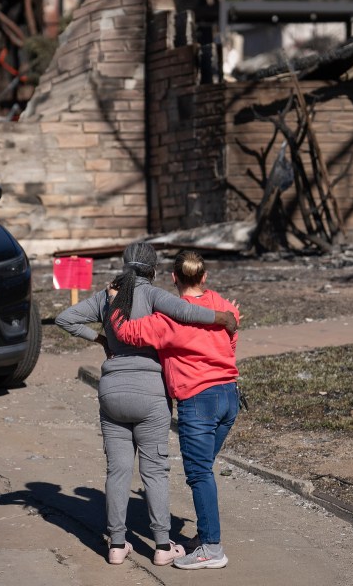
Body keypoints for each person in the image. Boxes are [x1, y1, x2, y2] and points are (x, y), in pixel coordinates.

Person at [54, 241, 236, 567]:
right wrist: (222, 316)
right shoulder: (154, 295)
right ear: (153, 270)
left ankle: (117, 545)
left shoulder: (108, 297)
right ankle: (163, 547)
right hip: (151, 393)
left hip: (112, 393)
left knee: (118, 470)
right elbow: (187, 311)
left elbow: (65, 319)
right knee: (154, 471)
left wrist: (100, 339)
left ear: (125, 265)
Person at [111, 250, 240, 570]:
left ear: (173, 278)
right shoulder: (222, 305)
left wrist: (115, 301)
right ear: (204, 276)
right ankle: (206, 535)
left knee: (199, 475)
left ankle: (212, 548)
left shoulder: (168, 318)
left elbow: (125, 332)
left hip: (199, 401)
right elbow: (231, 342)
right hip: (229, 397)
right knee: (203, 473)